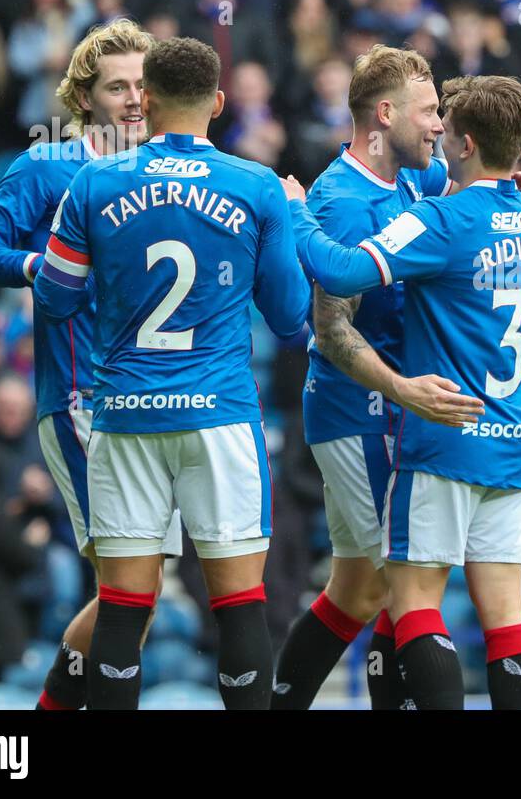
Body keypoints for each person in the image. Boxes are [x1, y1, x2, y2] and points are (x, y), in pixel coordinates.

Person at [271, 44, 521, 710]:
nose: (437, 124)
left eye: (443, 115)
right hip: (362, 408)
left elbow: (473, 167)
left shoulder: (422, 183)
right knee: (392, 588)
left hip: (426, 413)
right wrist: (397, 389)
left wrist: (512, 135)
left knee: (367, 589)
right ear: (385, 114)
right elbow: (331, 329)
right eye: (427, 110)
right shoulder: (341, 201)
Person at [33, 37, 310, 709]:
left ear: (146, 102)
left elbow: (53, 297)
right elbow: (288, 316)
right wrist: (296, 217)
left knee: (123, 608)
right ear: (218, 103)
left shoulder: (93, 184)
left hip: (125, 417)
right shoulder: (256, 187)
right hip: (219, 418)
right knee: (241, 604)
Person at [0, 18, 184, 711]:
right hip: (87, 401)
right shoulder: (47, 165)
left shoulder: (175, 169)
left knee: (134, 601)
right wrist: (42, 265)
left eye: (146, 85)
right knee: (126, 592)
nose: (136, 99)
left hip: (161, 402)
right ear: (84, 98)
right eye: (118, 87)